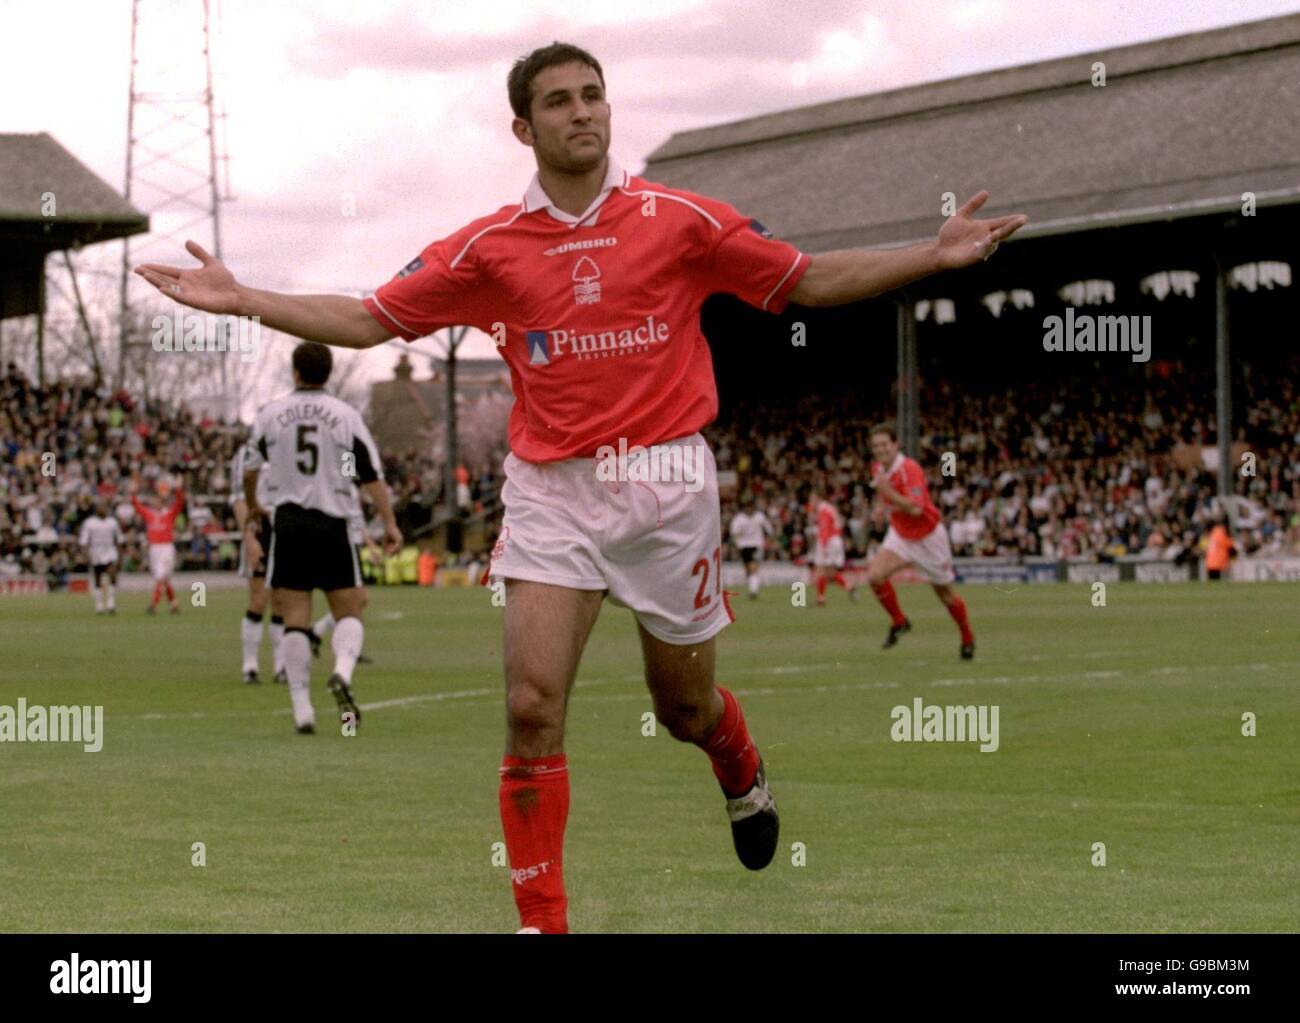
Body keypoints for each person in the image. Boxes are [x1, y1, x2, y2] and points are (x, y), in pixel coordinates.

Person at [134, 41, 1027, 932]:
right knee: (530, 705)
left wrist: (931, 256)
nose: (583, 112)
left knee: (682, 707)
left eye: (593, 95)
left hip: (669, 484)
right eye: (559, 101)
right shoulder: (488, 247)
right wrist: (245, 295)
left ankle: (738, 764)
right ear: (523, 127)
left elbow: (806, 279)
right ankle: (542, 923)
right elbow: (369, 316)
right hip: (553, 489)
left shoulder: (681, 219)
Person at [240, 343, 402, 734]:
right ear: (328, 373)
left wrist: (253, 505)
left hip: (290, 524)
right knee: (350, 610)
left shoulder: (271, 414)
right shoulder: (346, 416)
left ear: (294, 371)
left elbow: (248, 467)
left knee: (294, 617)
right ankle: (343, 671)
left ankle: (302, 711)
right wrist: (390, 523)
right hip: (335, 523)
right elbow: (371, 475)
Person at [865, 423, 975, 659]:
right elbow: (882, 493)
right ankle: (899, 621)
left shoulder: (910, 469)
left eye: (885, 444)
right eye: (876, 445)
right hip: (900, 535)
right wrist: (879, 507)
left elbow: (916, 509)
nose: (880, 449)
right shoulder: (878, 467)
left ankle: (967, 638)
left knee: (945, 595)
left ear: (896, 445)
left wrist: (888, 493)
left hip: (927, 538)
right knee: (874, 575)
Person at [131, 478, 186, 615]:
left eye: (158, 500)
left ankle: (153, 605)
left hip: (166, 548)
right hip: (154, 549)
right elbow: (136, 506)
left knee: (160, 577)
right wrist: (133, 493)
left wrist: (178, 489)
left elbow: (179, 504)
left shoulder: (169, 513)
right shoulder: (149, 514)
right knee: (164, 579)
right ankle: (174, 604)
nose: (156, 502)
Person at [809, 488, 856, 605]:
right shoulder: (829, 508)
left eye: (812, 498)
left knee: (820, 569)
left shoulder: (823, 508)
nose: (811, 501)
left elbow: (825, 527)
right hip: (835, 539)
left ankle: (820, 599)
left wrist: (824, 545)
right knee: (830, 573)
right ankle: (849, 587)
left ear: (817, 498)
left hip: (829, 540)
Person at [78, 497, 122, 614]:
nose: (103, 509)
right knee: (97, 579)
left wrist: (120, 556)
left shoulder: (112, 522)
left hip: (110, 552)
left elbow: (118, 540)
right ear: (96, 509)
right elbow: (84, 541)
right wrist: (85, 555)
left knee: (112, 574)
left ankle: (111, 602)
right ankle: (99, 604)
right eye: (100, 507)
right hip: (95, 553)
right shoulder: (89, 523)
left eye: (105, 507)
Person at [729, 500, 772, 599]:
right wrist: (737, 545)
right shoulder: (739, 519)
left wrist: (768, 542)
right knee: (748, 569)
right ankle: (753, 586)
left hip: (756, 545)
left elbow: (768, 529)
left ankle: (754, 591)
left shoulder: (759, 516)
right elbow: (735, 533)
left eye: (751, 506)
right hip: (744, 547)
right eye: (747, 506)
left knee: (753, 567)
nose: (749, 509)